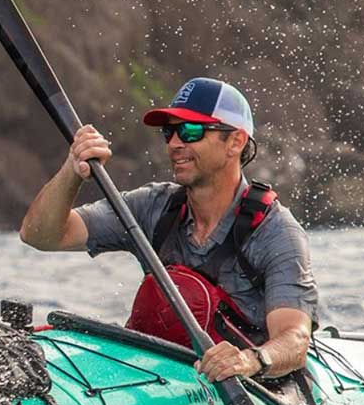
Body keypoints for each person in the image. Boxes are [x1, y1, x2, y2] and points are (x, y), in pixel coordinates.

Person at [19, 77, 318, 385]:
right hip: (155, 370)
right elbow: (40, 235)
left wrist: (250, 360)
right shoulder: (153, 206)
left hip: (247, 381)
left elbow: (294, 339)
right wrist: (73, 171)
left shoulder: (277, 232)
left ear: (236, 142)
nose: (175, 143)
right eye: (169, 132)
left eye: (191, 131)